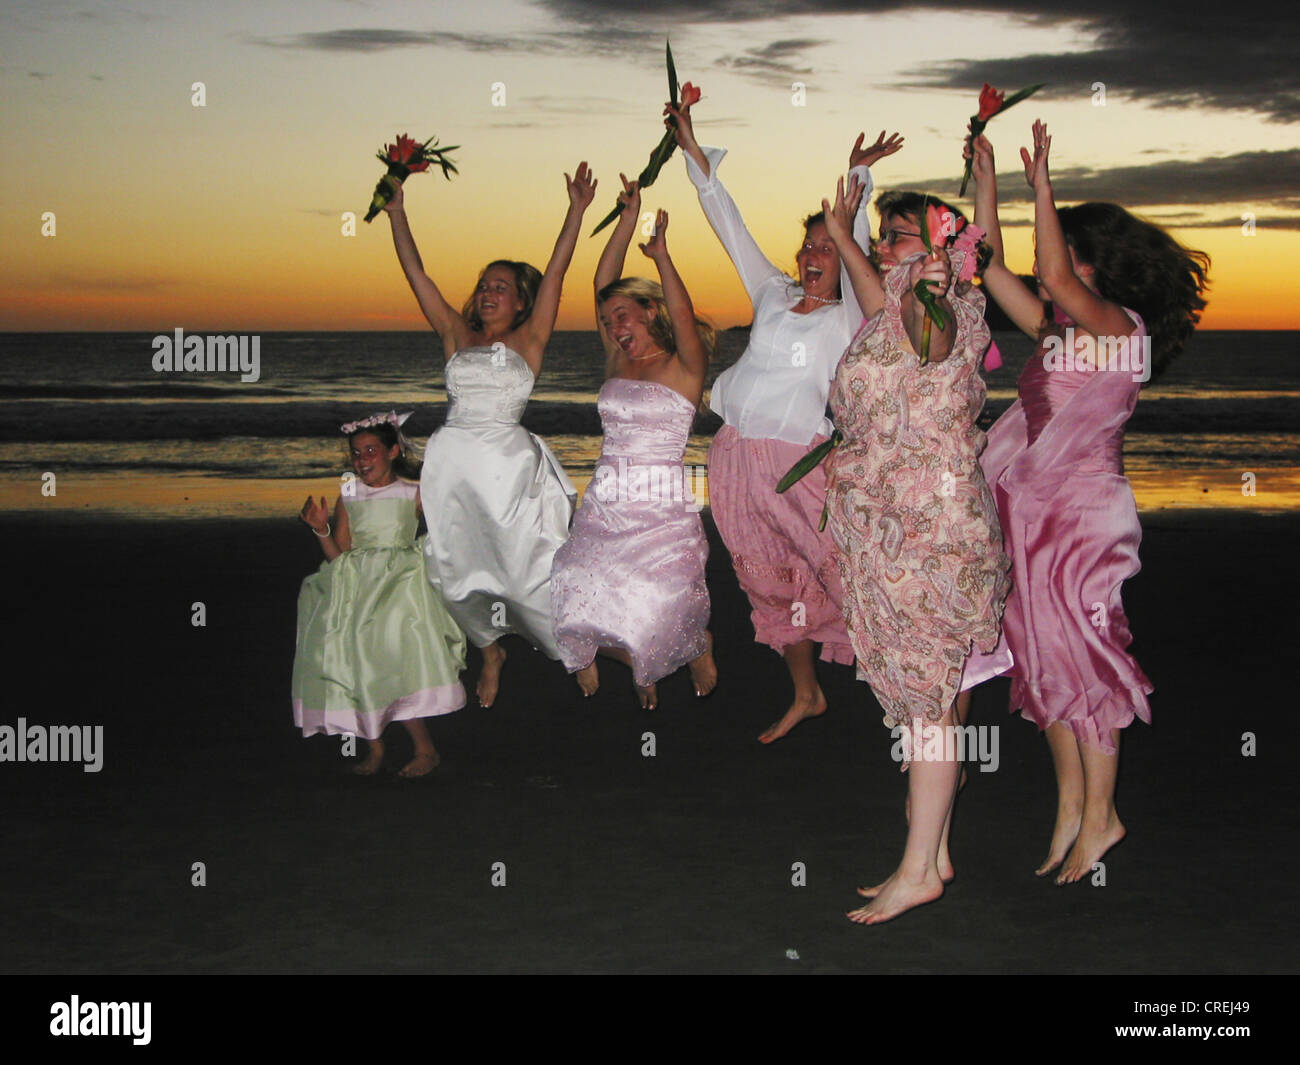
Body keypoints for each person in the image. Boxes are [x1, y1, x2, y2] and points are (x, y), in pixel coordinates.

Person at [965, 123, 1209, 883]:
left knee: (1090, 656)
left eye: (1065, 253)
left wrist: (1042, 186)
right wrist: (986, 172)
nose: (1049, 272)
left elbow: (1052, 274)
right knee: (1045, 661)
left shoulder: (1118, 330)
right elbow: (991, 264)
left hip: (1082, 519)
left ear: (1093, 264)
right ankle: (1071, 807)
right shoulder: (1058, 331)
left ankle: (1103, 816)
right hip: (1030, 511)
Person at [666, 98, 904, 743]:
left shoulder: (853, 318)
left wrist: (858, 182)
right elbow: (728, 223)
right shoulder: (771, 292)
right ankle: (806, 693)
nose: (812, 253)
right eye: (808, 243)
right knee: (766, 577)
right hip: (735, 456)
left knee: (839, 567)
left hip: (797, 462)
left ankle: (913, 678)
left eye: (828, 247)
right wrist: (692, 146)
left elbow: (856, 265)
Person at [819, 174, 1011, 924]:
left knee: (928, 703)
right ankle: (929, 856)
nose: (880, 248)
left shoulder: (949, 305)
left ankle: (917, 870)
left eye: (893, 235)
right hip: (889, 525)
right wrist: (842, 235)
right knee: (923, 703)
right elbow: (885, 306)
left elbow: (928, 342)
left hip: (928, 532)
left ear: (935, 249)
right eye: (882, 237)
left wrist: (928, 284)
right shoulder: (891, 308)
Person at [383, 164, 596, 707]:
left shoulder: (531, 338)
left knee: (530, 570)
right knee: (453, 570)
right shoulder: (456, 334)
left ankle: (572, 646)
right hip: (452, 465)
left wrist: (576, 211)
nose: (487, 293)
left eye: (500, 286)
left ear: (520, 301)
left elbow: (556, 274)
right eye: (483, 285)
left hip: (507, 470)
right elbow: (419, 277)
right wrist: (397, 212)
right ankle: (490, 652)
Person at [551, 176, 717, 709]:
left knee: (655, 601)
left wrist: (663, 256)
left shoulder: (684, 366)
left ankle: (689, 649)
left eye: (622, 315)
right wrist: (627, 216)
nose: (613, 325)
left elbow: (684, 313)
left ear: (649, 310)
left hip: (659, 499)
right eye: (606, 320)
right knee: (577, 582)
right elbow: (602, 278)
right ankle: (620, 659)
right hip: (607, 494)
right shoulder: (618, 357)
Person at [292, 414, 467, 777]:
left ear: (393, 451)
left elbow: (447, 530)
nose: (362, 460)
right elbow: (339, 555)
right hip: (356, 587)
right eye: (356, 453)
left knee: (393, 662)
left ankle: (425, 748)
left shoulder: (412, 491)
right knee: (356, 659)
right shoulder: (349, 494)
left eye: (371, 450)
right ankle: (375, 745)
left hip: (400, 587)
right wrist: (321, 530)